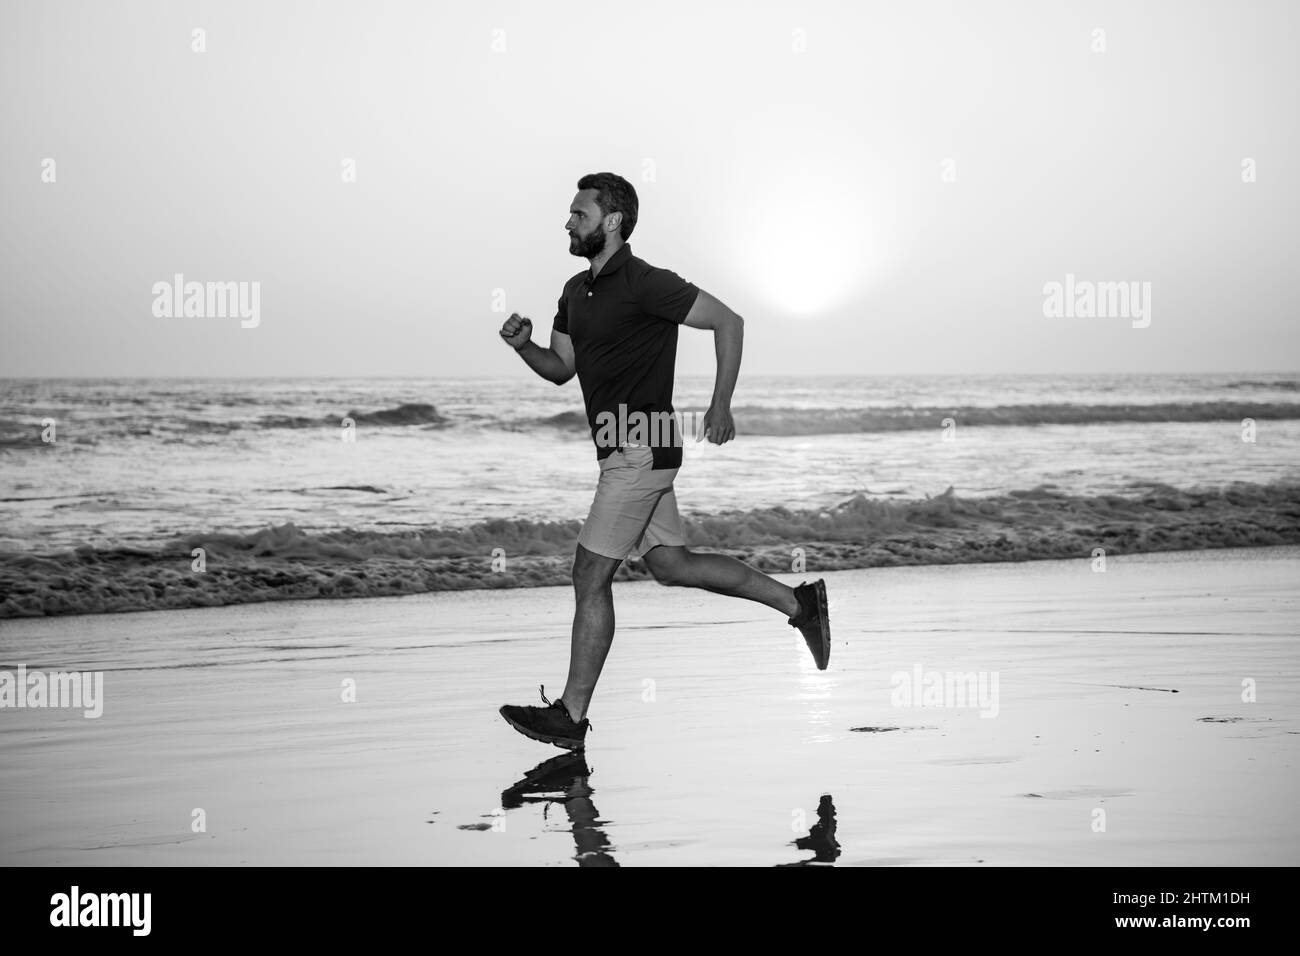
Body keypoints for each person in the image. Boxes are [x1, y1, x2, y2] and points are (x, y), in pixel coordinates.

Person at [497, 172, 830, 750]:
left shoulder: (647, 282)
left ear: (613, 222)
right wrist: (525, 345)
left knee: (589, 572)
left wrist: (720, 403)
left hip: (642, 447)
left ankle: (571, 717)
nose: (569, 222)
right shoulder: (575, 292)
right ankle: (798, 603)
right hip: (621, 450)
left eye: (579, 213)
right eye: (571, 214)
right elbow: (561, 368)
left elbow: (730, 322)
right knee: (671, 565)